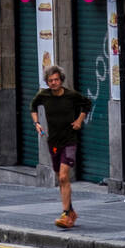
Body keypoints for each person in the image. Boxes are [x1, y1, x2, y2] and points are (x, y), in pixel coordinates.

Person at [30, 65, 92, 228]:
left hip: (70, 140)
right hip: (54, 142)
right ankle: (71, 211)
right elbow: (33, 106)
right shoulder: (43, 95)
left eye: (56, 80)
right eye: (50, 81)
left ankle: (65, 214)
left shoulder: (71, 95)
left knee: (64, 176)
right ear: (47, 82)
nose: (54, 83)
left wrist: (79, 120)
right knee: (60, 178)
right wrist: (37, 123)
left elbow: (87, 104)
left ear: (61, 80)